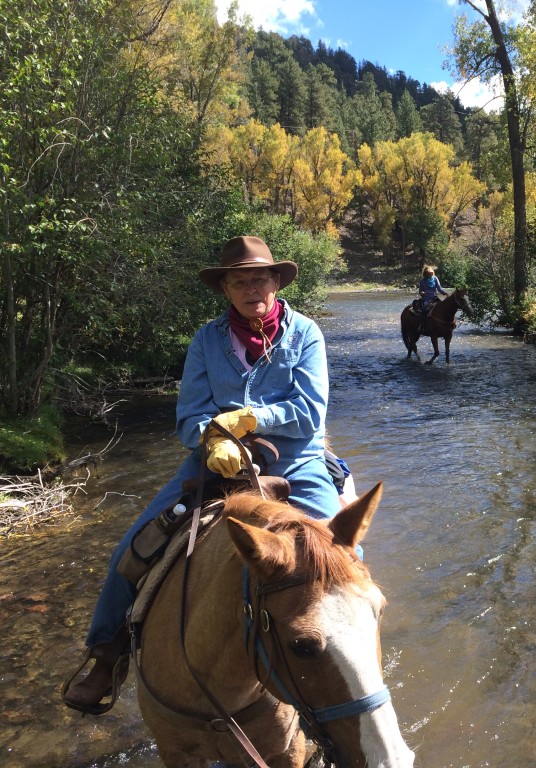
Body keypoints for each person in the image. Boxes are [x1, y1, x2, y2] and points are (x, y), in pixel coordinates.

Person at [62, 235, 345, 714]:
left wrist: (249, 418)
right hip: (216, 461)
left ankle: (347, 667)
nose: (251, 289)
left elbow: (308, 412)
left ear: (276, 283)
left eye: (260, 279)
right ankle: (106, 656)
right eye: (240, 282)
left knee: (343, 554)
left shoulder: (306, 333)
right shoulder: (206, 340)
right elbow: (189, 417)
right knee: (133, 549)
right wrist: (212, 439)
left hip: (296, 459)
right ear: (226, 289)